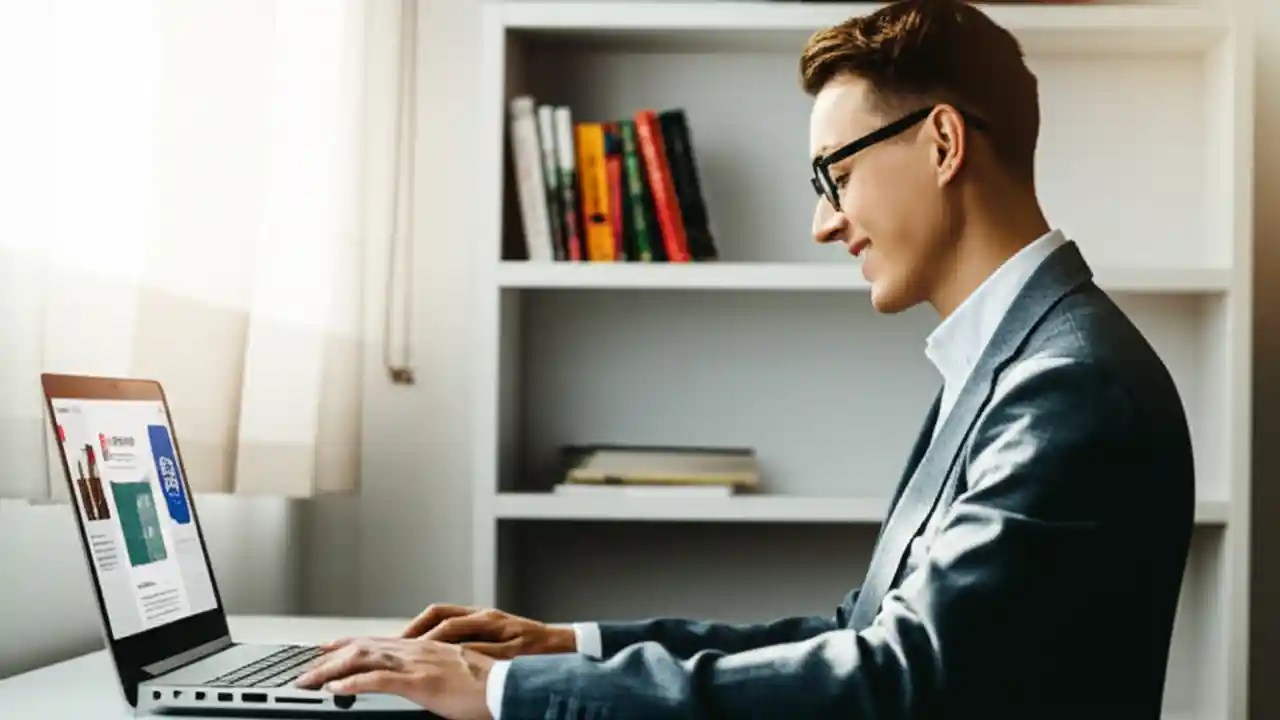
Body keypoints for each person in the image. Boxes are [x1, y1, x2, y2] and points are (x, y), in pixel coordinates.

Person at [295, 1, 1195, 717]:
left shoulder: (1066, 385)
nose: (824, 221)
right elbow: (864, 631)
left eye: (833, 175)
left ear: (944, 142)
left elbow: (899, 678)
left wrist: (498, 691)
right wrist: (568, 647)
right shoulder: (1020, 360)